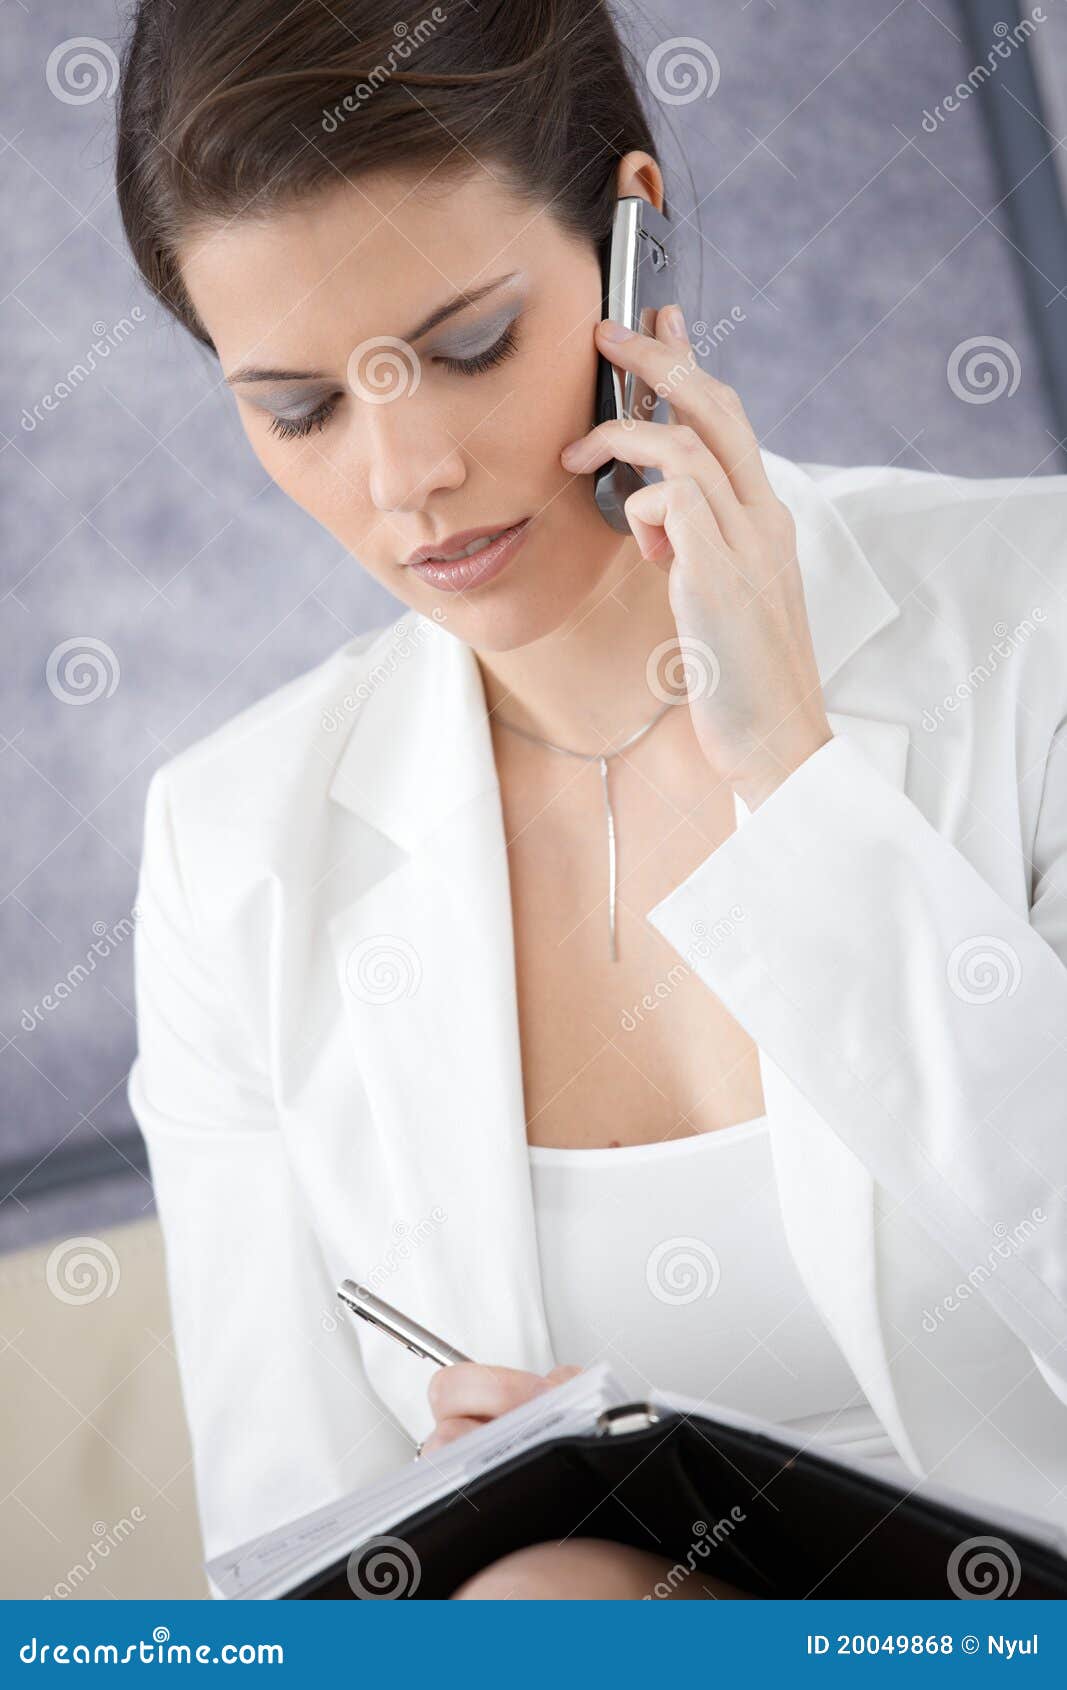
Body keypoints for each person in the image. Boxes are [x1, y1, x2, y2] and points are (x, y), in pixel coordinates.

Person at [117, 0, 1067, 1599]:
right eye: (302, 408)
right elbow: (290, 1573)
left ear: (636, 237)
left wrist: (792, 774)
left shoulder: (1036, 624)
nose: (405, 471)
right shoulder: (231, 856)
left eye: (469, 345)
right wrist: (459, 1516)